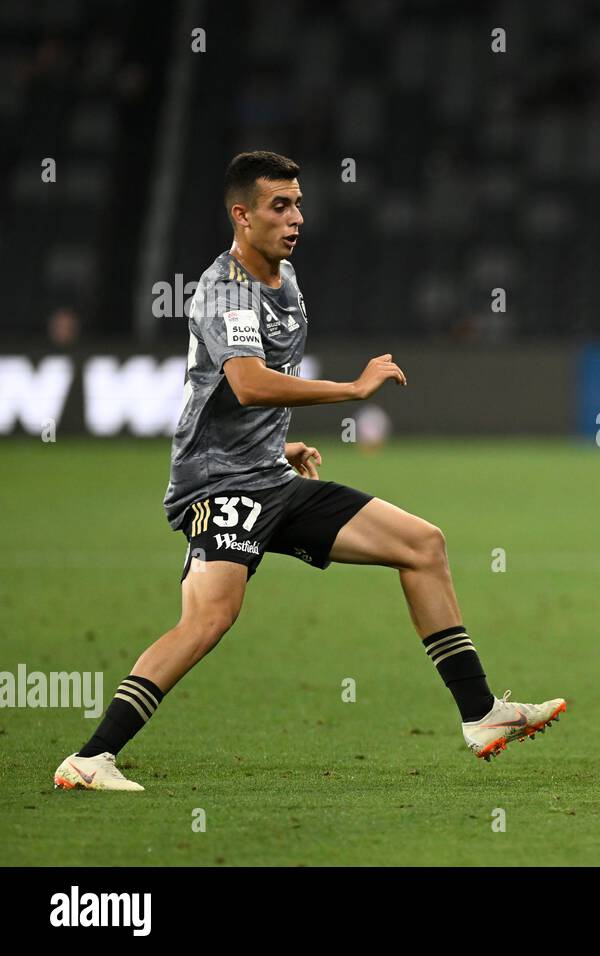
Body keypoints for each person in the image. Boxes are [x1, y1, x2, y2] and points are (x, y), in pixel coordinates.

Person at [54, 151, 564, 791]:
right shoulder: (226, 289)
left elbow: (251, 392)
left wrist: (280, 447)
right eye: (279, 206)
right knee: (209, 620)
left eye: (297, 204)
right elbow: (248, 383)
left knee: (422, 544)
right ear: (241, 215)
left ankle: (481, 714)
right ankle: (91, 757)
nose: (295, 218)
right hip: (221, 485)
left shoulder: (285, 281)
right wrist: (353, 390)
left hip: (268, 477)